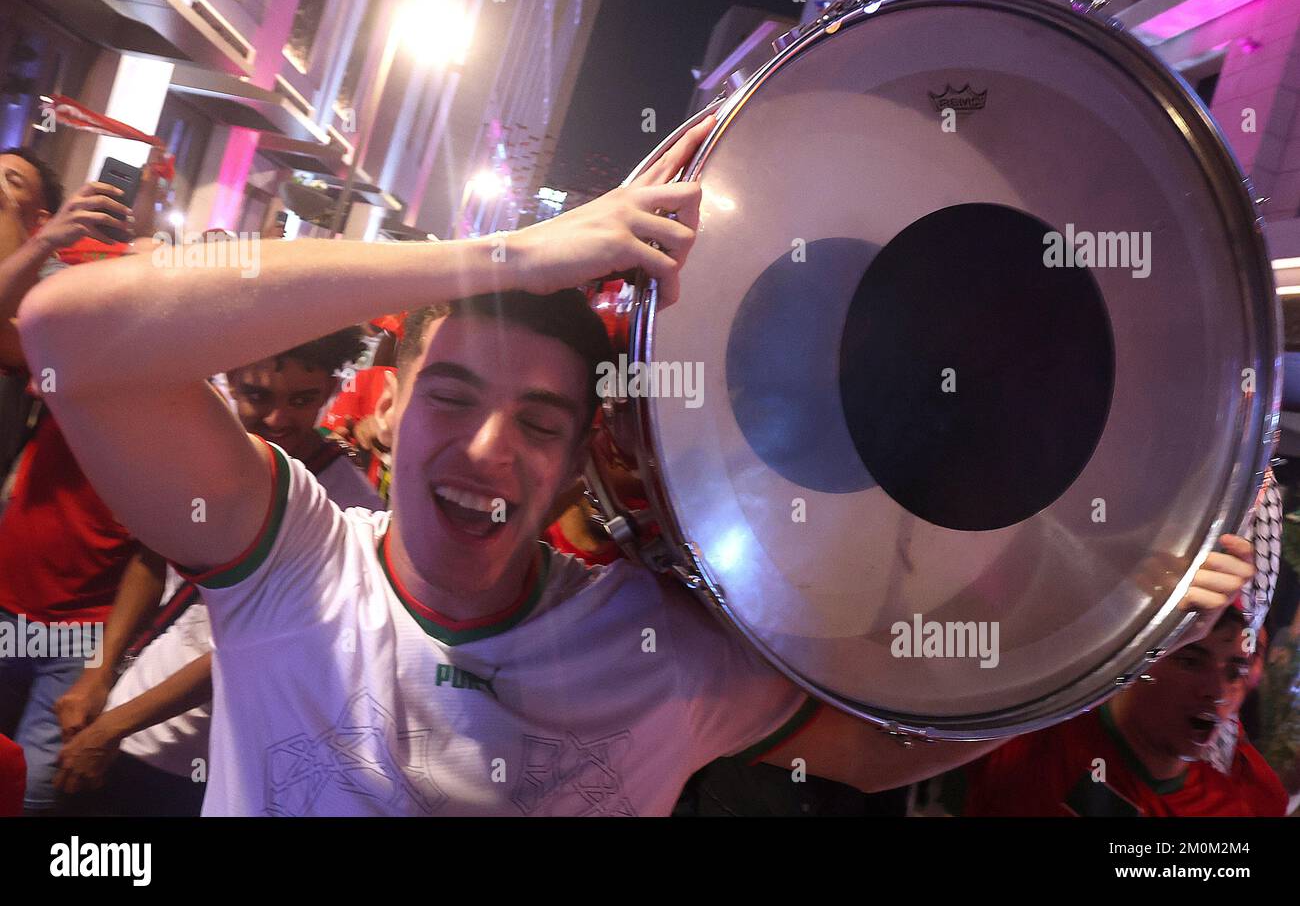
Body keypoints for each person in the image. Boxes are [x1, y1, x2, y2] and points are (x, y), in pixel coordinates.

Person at [16, 117, 1254, 815]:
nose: (490, 447)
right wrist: (497, 255)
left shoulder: (654, 647)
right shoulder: (289, 559)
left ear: (575, 470)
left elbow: (888, 739)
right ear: (389, 407)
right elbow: (68, 333)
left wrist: (1111, 620)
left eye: (542, 422)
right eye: (452, 395)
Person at [55, 329, 384, 814]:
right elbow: (151, 558)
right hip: (125, 713)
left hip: (202, 756)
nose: (279, 417)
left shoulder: (349, 503)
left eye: (303, 399)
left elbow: (259, 642)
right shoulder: (205, 455)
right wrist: (98, 672)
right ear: (229, 378)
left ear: (333, 391)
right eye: (258, 396)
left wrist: (113, 726)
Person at [0, 151, 168, 813]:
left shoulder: (177, 401)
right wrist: (50, 237)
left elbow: (153, 553)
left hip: (75, 636)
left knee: (35, 799)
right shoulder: (69, 362)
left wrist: (101, 671)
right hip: (4, 602)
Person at [959, 606, 1286, 816]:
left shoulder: (1237, 804)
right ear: (1136, 655)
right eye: (1189, 660)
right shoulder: (1035, 731)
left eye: (1234, 671)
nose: (1216, 691)